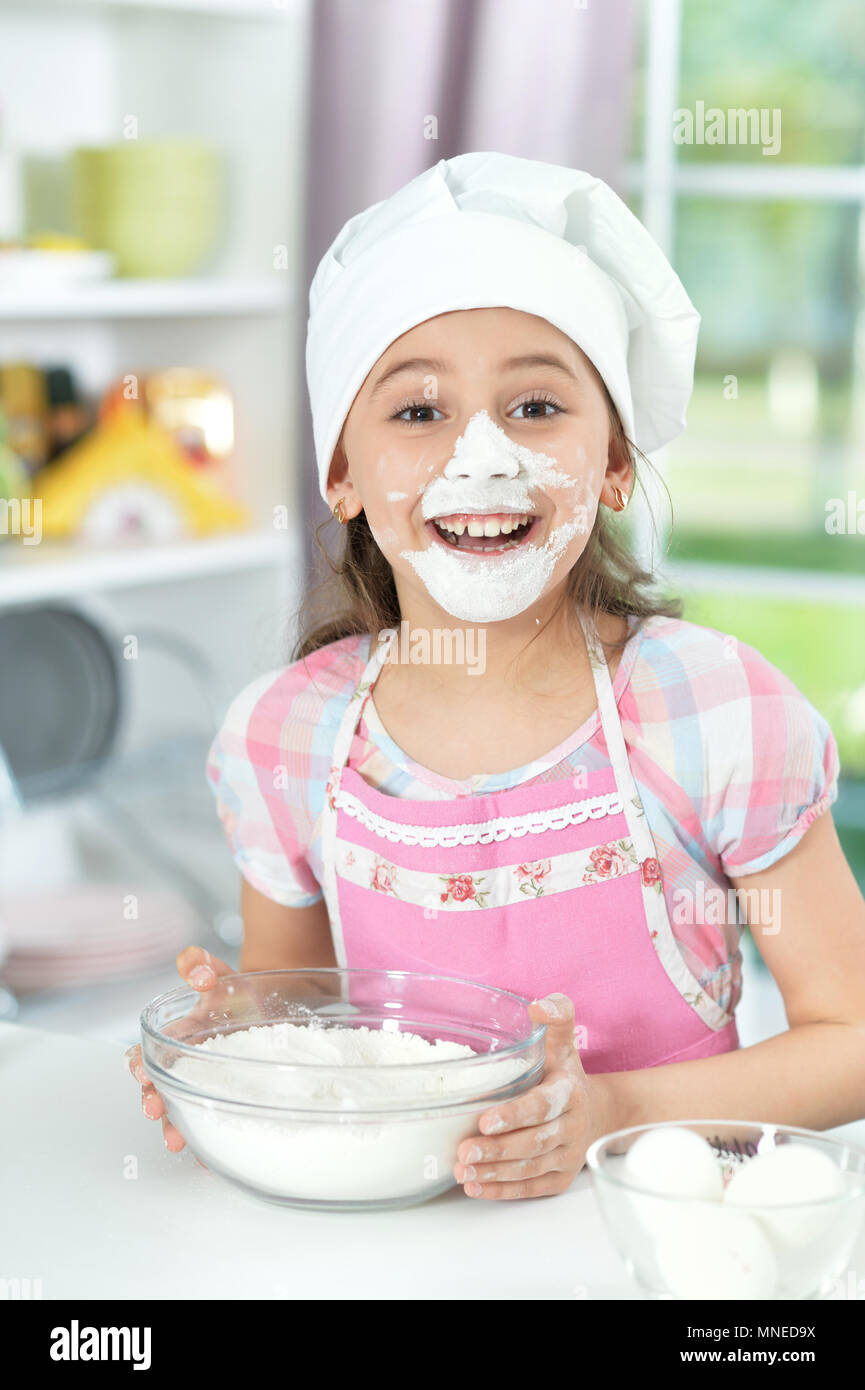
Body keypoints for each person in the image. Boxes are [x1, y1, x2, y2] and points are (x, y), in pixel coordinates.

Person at [127, 152, 865, 1200]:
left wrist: (611, 1110)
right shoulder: (287, 736)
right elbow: (301, 1015)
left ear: (614, 462)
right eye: (417, 413)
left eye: (535, 406)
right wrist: (233, 1050)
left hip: (662, 1227)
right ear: (341, 472)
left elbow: (850, 1037)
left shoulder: (713, 710)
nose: (482, 456)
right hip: (401, 1239)